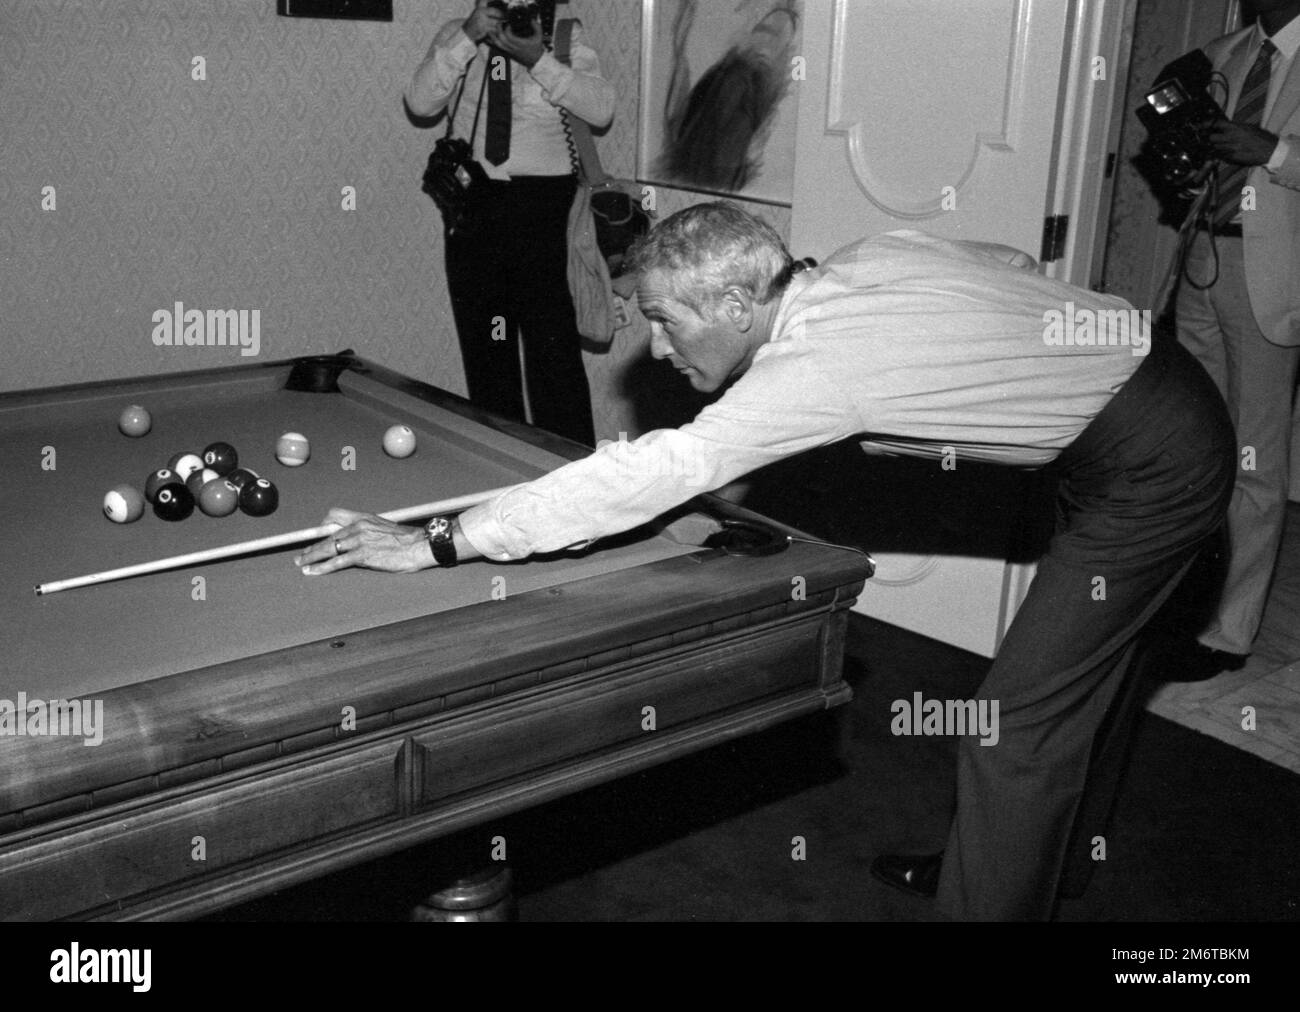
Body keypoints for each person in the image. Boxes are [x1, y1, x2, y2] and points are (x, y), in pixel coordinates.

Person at [294, 202, 1234, 920]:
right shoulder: (860, 262)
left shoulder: (818, 364)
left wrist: (440, 538)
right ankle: (1036, 868)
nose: (654, 347)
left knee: (1011, 724)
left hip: (1155, 461)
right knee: (1093, 675)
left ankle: (997, 889)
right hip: (1136, 400)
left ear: (740, 303)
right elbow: (1010, 265)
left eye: (664, 320)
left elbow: (659, 468)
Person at [406, 0, 615, 447]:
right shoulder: (457, 33)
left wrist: (537, 59)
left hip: (543, 209)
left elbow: (600, 110)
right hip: (474, 206)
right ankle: (500, 470)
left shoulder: (564, 38)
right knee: (486, 350)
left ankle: (569, 473)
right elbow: (420, 103)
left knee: (553, 353)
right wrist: (468, 36)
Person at [1162, 0, 1300, 677]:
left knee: (1252, 459)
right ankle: (1176, 604)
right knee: (1191, 442)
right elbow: (1200, 151)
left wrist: (1273, 152)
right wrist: (1188, 172)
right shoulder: (1224, 52)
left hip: (1271, 277)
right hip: (1203, 256)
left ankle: (1227, 631)